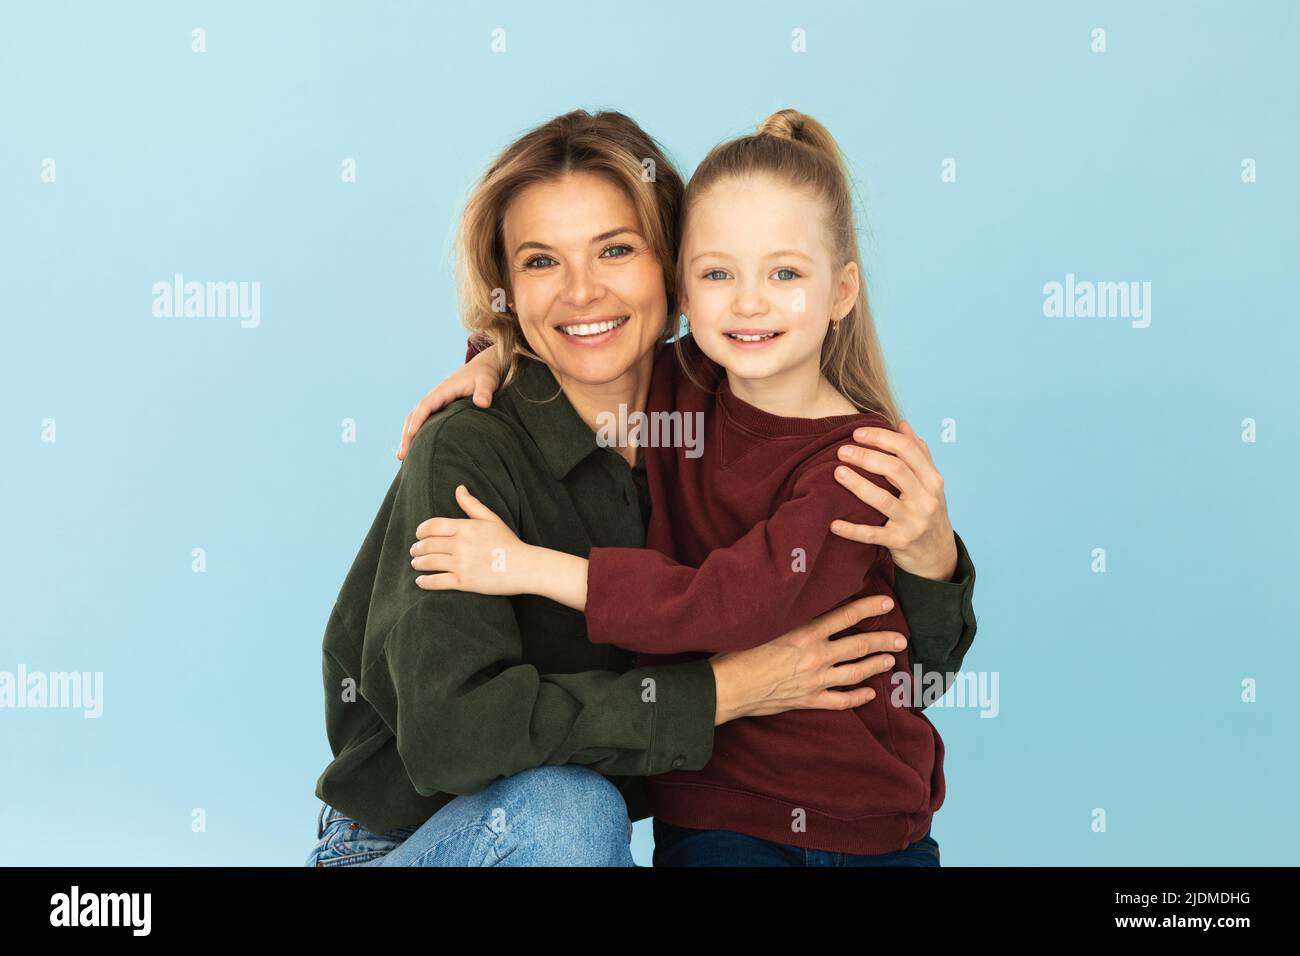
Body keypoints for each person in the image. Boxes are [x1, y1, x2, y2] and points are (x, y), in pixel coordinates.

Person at [309, 109, 976, 867]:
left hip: (704, 835)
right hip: (419, 839)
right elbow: (453, 738)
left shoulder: (723, 400)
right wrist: (723, 692)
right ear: (506, 289)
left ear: (674, 270)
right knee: (571, 812)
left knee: (580, 818)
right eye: (539, 262)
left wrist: (931, 560)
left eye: (616, 250)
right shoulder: (469, 444)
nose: (581, 292)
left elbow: (900, 673)